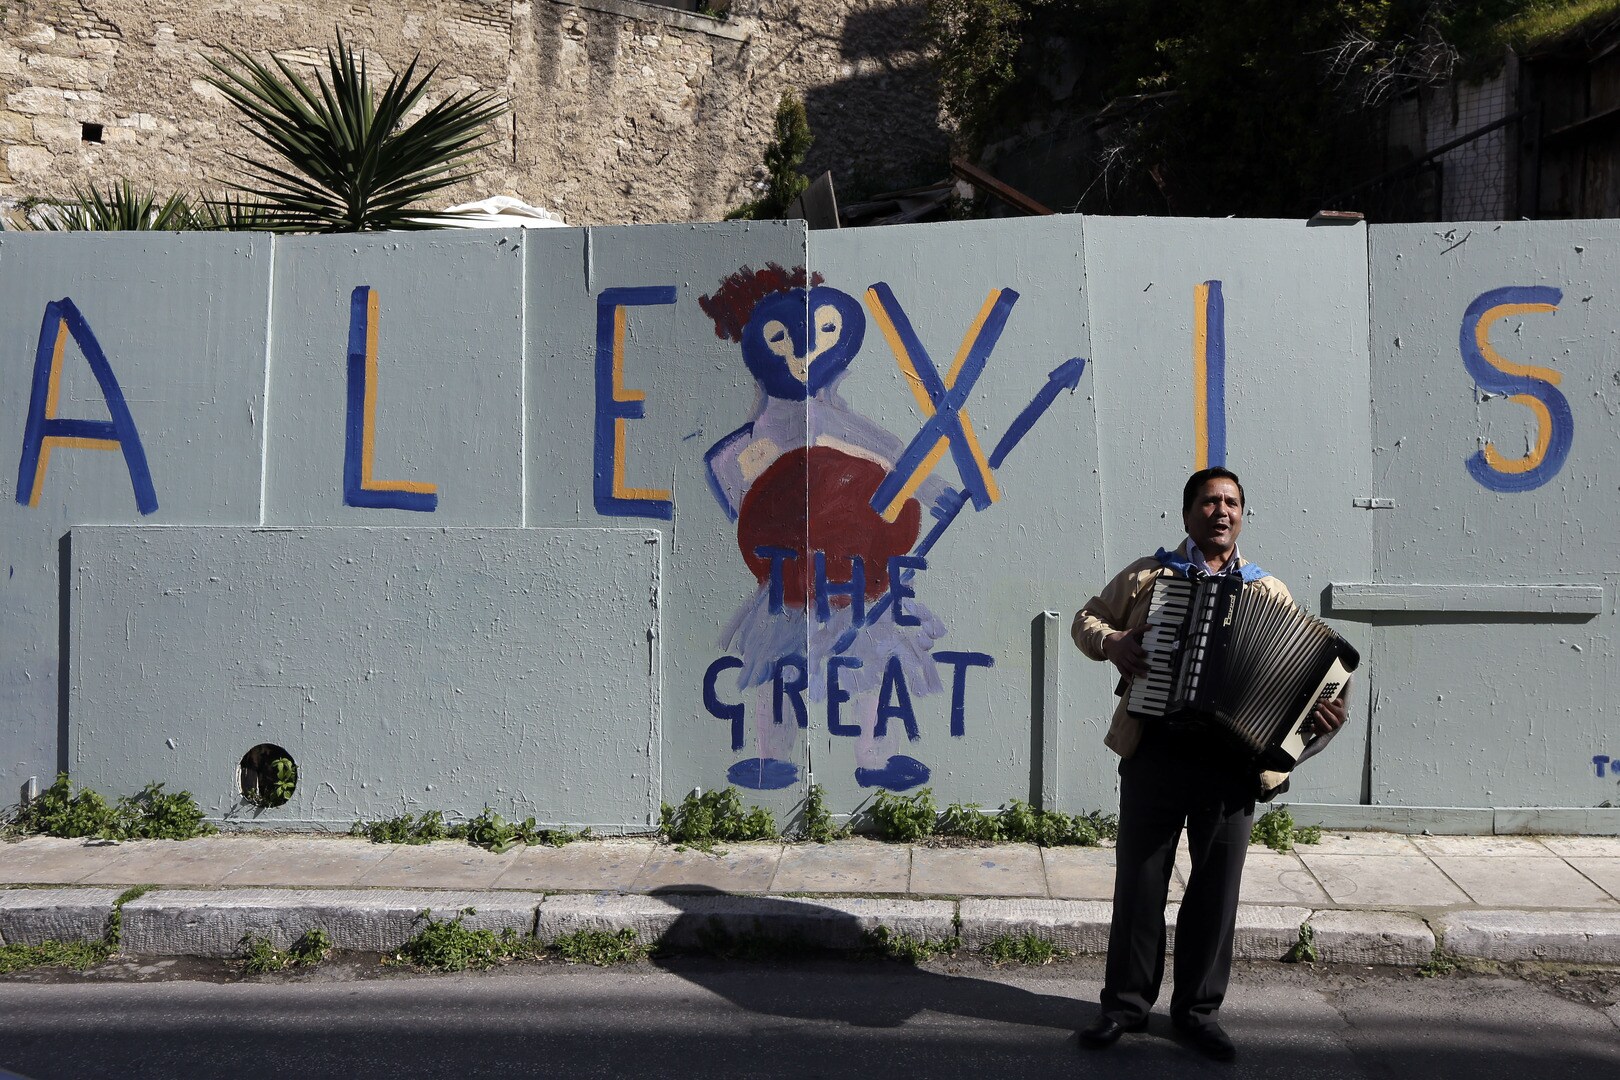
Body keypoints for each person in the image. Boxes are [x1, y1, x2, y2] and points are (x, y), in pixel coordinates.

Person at [1070, 467, 1349, 1062]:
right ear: (1188, 513)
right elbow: (1086, 619)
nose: (1221, 511)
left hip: (1232, 766)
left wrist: (1321, 720)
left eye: (1232, 503)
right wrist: (1113, 644)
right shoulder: (1150, 575)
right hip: (1157, 752)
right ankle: (1124, 1007)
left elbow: (1302, 688)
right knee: (1140, 887)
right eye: (1209, 501)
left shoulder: (1268, 593)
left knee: (1215, 893)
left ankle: (1197, 1013)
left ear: (1241, 516)